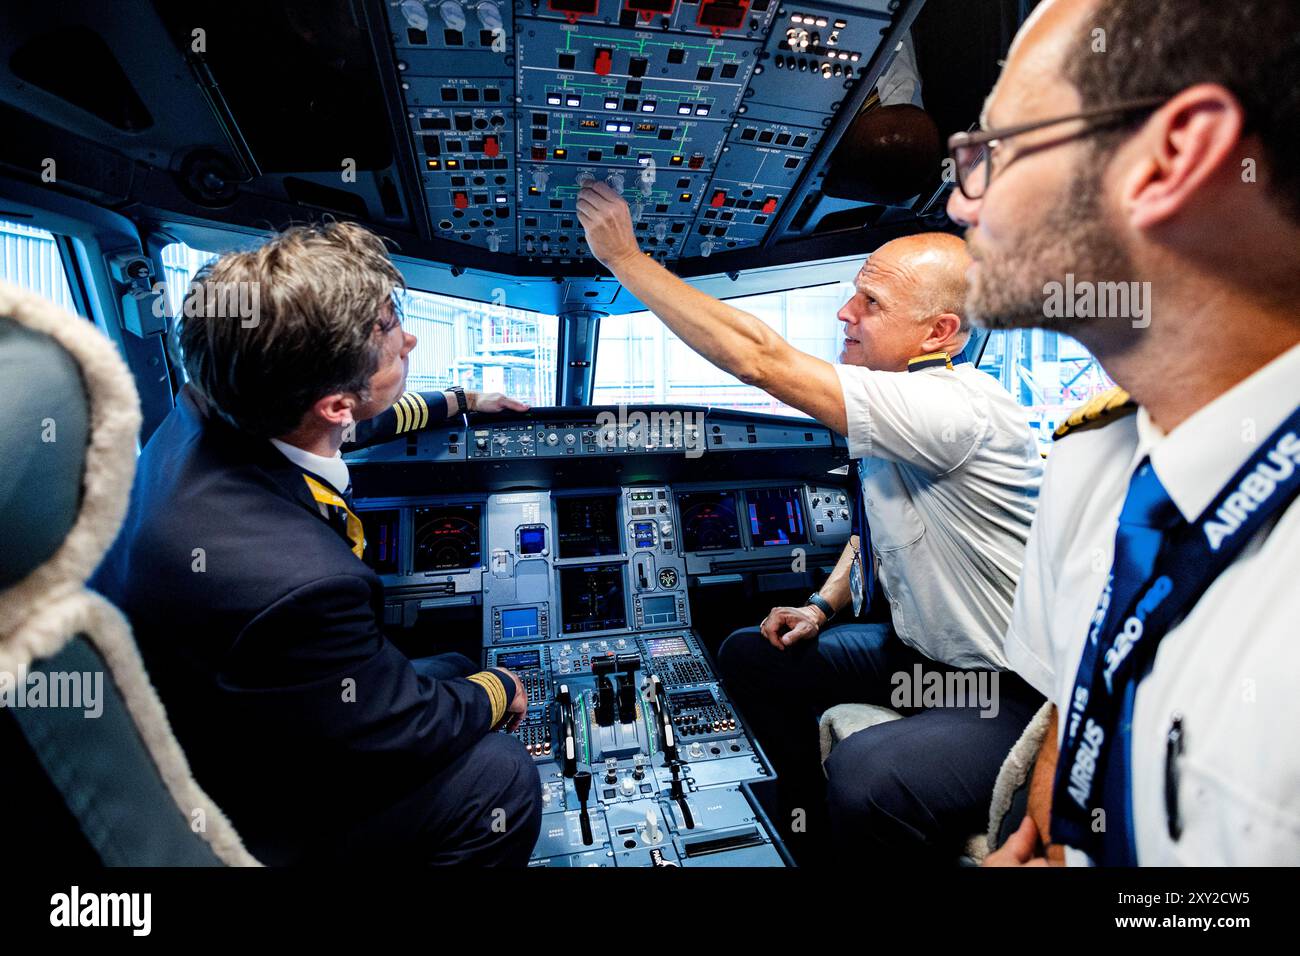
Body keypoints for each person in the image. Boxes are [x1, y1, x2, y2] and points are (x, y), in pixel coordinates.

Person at [576, 199, 1045, 863]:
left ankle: (845, 832)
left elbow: (757, 358)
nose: (844, 314)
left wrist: (625, 259)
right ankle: (797, 827)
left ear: (940, 331)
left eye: (871, 303)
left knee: (868, 775)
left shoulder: (952, 407)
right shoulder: (899, 407)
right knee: (752, 654)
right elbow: (875, 535)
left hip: (1008, 691)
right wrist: (823, 605)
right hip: (918, 656)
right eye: (853, 295)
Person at [944, 0, 1300, 865]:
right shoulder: (1091, 464)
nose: (960, 203)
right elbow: (1077, 711)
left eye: (995, 150)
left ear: (1170, 157)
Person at [92, 221, 543, 866]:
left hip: (201, 712)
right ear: (334, 403)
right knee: (500, 775)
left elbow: (355, 419)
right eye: (391, 336)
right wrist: (500, 690)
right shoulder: (295, 582)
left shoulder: (217, 401)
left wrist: (463, 401)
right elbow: (405, 728)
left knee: (447, 660)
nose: (410, 338)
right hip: (231, 798)